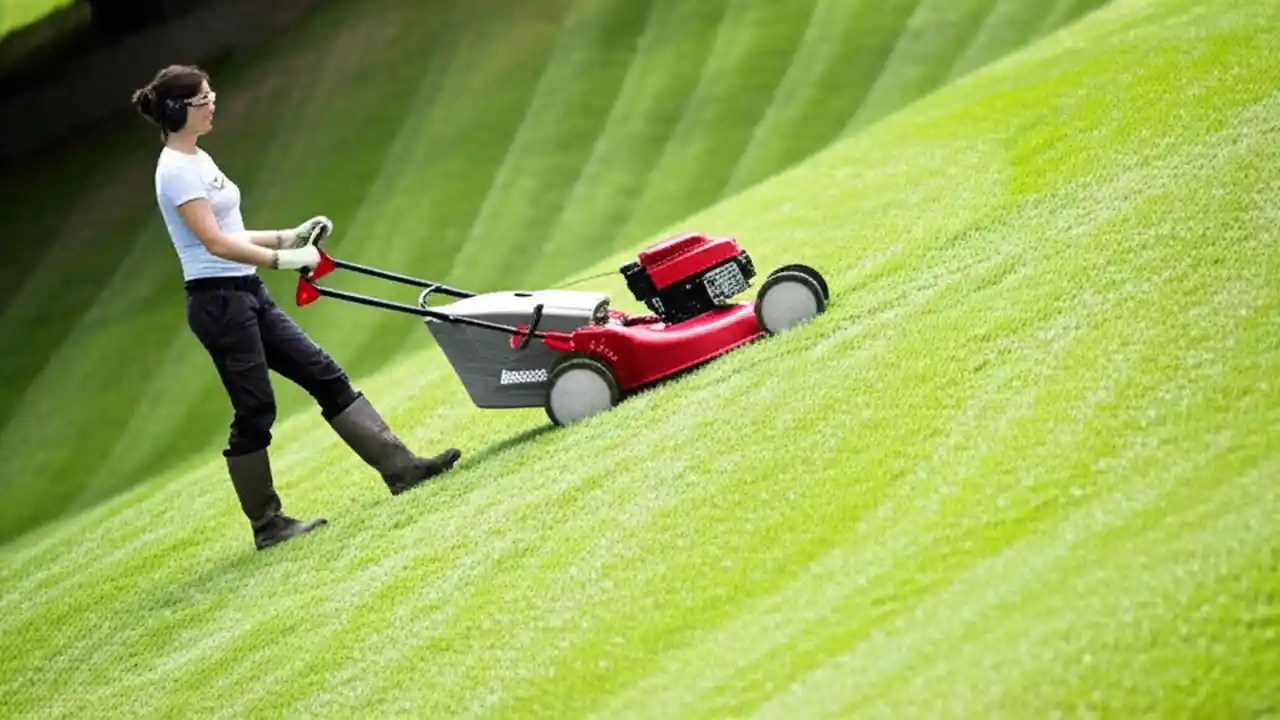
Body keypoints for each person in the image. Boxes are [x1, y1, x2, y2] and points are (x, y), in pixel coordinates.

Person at [130, 64, 461, 551]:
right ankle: (268, 525)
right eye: (204, 98)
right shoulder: (175, 171)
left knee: (323, 372)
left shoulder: (199, 158)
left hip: (246, 292)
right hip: (218, 304)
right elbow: (215, 243)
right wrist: (283, 259)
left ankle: (403, 469)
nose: (214, 102)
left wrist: (290, 235)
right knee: (255, 408)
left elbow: (233, 231)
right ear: (179, 110)